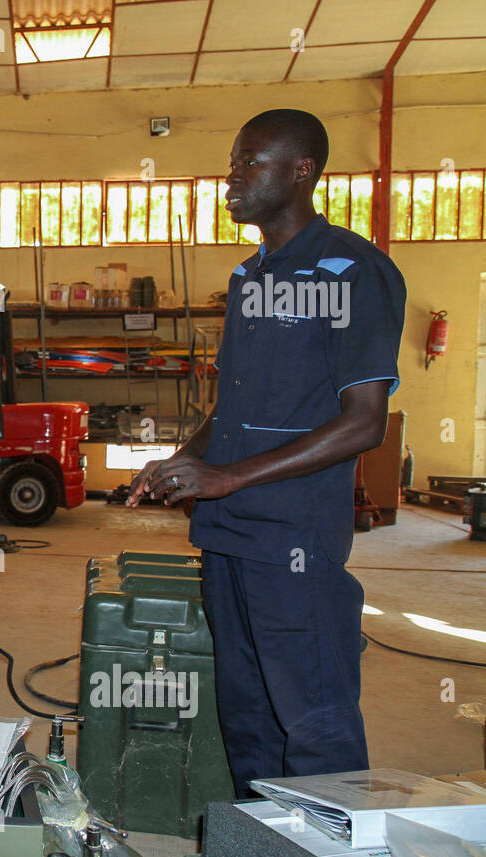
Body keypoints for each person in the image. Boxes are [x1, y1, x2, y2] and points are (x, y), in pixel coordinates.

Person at [126, 109, 406, 797]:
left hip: (293, 541)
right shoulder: (252, 278)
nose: (233, 173)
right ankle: (264, 845)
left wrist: (228, 476)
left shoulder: (352, 272)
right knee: (246, 717)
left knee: (313, 719)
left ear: (301, 170)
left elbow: (365, 422)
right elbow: (234, 412)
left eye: (251, 160)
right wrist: (182, 460)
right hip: (228, 537)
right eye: (234, 158)